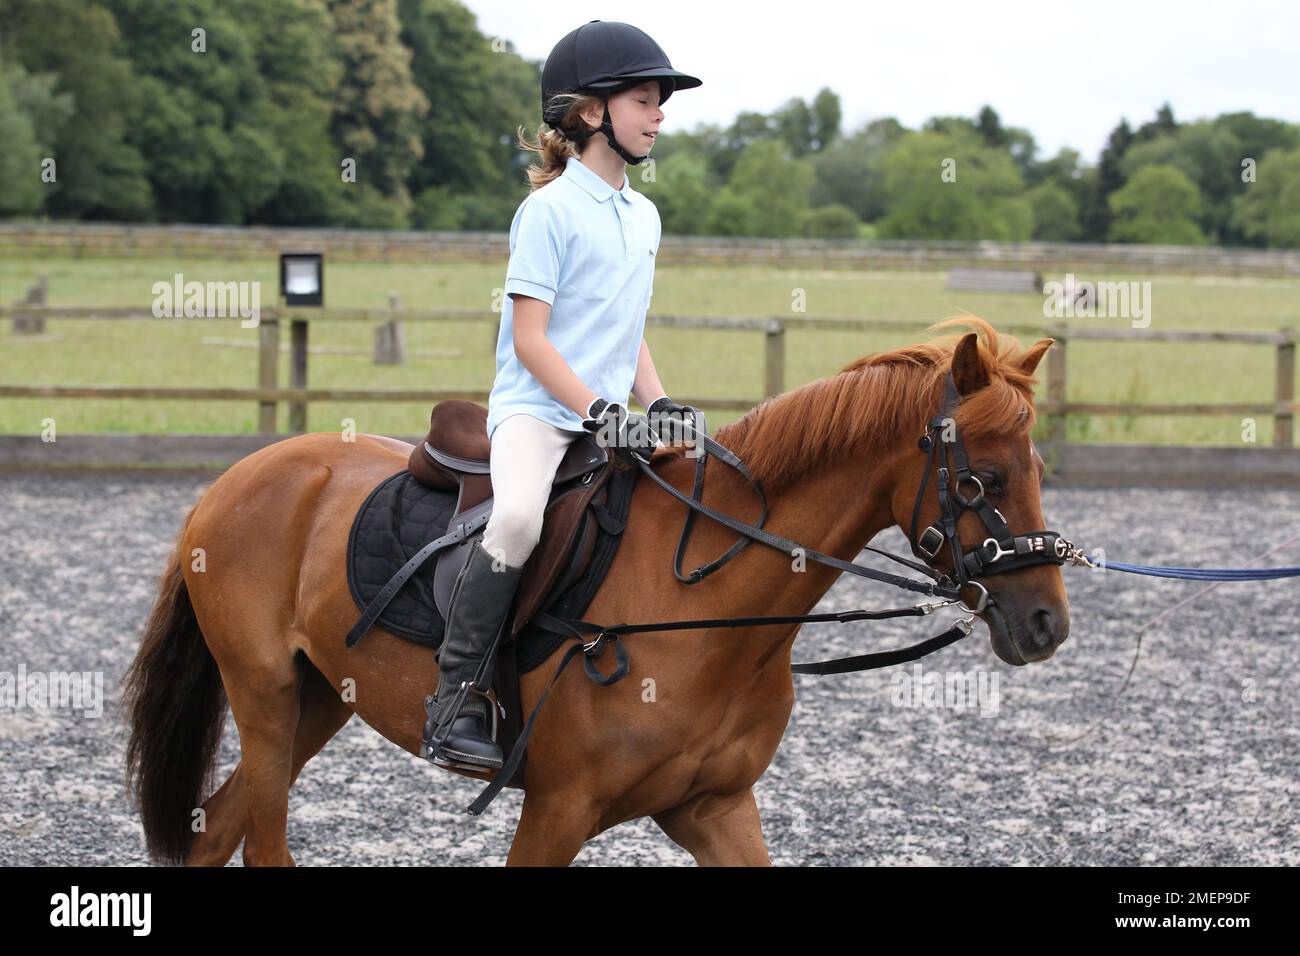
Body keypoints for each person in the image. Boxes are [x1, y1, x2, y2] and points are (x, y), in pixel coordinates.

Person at [420, 20, 702, 772]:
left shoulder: (644, 216)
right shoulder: (546, 213)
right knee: (514, 520)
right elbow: (533, 341)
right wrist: (600, 412)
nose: (659, 116)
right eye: (645, 100)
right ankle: (455, 698)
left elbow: (626, 327)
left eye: (659, 103)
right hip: (541, 416)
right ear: (589, 113)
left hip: (612, 421)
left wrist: (659, 401)